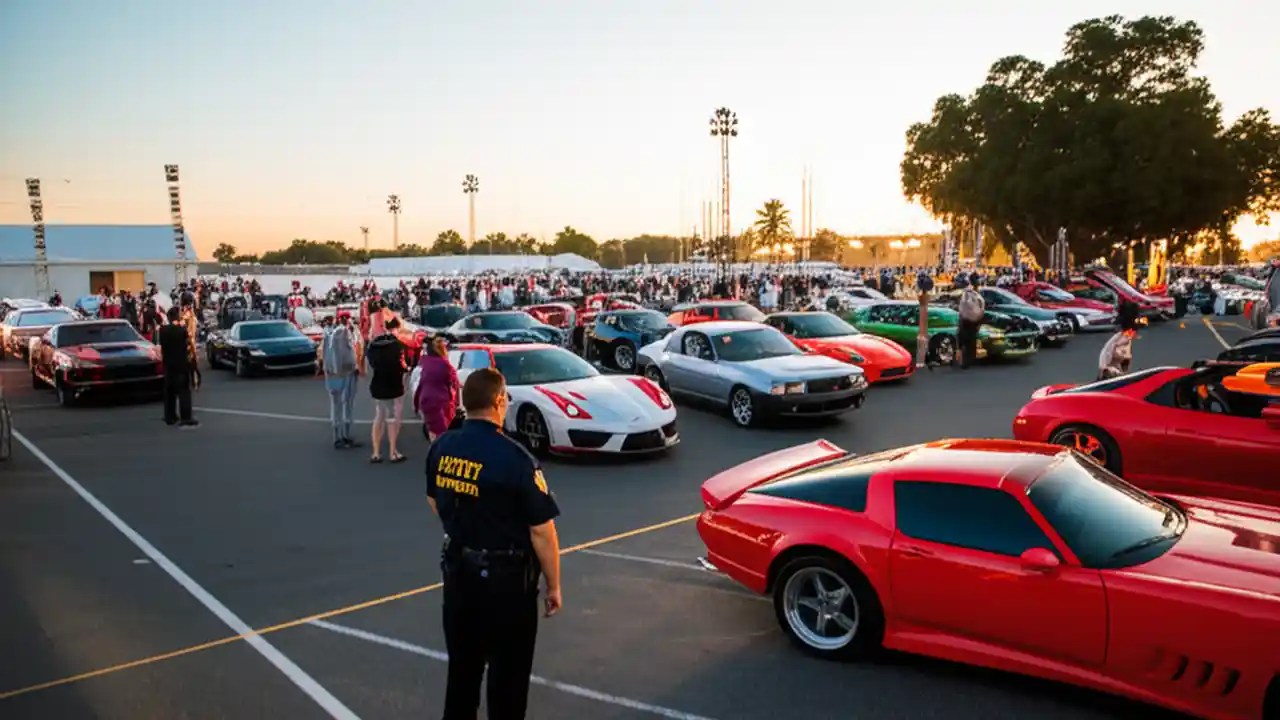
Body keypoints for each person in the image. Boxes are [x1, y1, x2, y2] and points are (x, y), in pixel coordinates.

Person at [426, 368, 562, 720]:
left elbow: (434, 500)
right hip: (506, 587)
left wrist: (465, 523)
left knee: (462, 676)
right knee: (508, 684)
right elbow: (541, 531)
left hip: (458, 577)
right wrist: (554, 585)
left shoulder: (442, 445)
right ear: (499, 401)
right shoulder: (515, 459)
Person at [366, 316, 409, 463]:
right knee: (391, 419)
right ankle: (392, 452)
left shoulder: (375, 345)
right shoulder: (397, 345)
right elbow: (402, 366)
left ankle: (376, 452)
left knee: (379, 416)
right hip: (392, 385)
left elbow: (370, 364)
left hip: (377, 384)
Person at [323, 313, 363, 449]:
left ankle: (337, 436)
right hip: (345, 372)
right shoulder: (343, 332)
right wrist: (355, 367)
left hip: (331, 373)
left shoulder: (329, 333)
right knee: (347, 405)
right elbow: (349, 353)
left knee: (335, 405)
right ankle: (345, 436)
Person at [157, 306, 198, 428]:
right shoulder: (181, 331)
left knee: (169, 392)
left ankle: (170, 416)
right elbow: (188, 344)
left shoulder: (163, 331)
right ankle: (186, 417)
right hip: (181, 364)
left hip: (168, 365)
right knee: (184, 392)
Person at [415, 336, 460, 442]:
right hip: (440, 402)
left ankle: (434, 451)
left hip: (426, 400)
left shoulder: (425, 364)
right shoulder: (445, 365)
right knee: (442, 431)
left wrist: (417, 403)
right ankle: (440, 454)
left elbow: (422, 384)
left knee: (433, 429)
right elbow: (454, 383)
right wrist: (456, 402)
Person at [955, 273, 985, 369]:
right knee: (971, 341)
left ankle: (962, 361)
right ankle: (970, 360)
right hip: (974, 322)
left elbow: (961, 308)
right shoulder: (977, 294)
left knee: (962, 341)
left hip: (965, 321)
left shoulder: (966, 293)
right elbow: (981, 308)